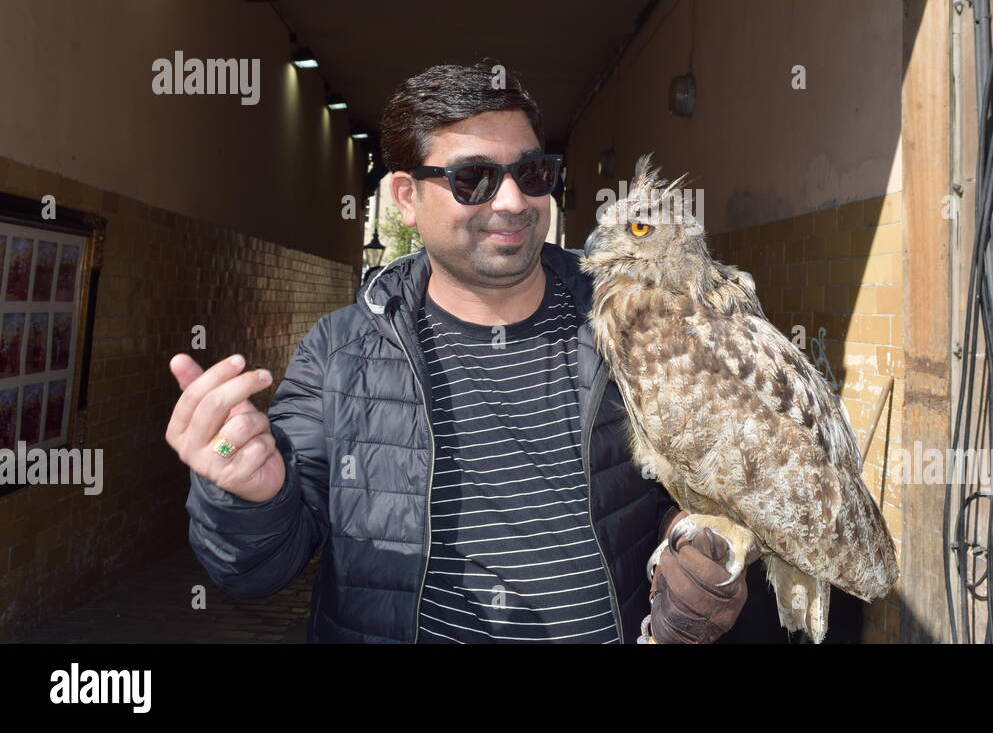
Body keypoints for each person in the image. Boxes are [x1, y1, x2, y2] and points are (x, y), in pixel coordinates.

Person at [165, 59, 785, 643]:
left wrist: (696, 543)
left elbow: (684, 490)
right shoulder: (340, 352)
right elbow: (255, 573)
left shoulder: (642, 330)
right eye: (473, 178)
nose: (512, 202)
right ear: (405, 196)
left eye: (532, 173)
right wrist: (248, 497)